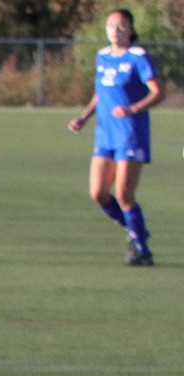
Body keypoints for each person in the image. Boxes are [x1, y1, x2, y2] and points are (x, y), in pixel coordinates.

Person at [69, 8, 165, 266]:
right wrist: (84, 117)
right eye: (112, 25)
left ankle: (141, 249)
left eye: (122, 25)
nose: (116, 29)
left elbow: (158, 92)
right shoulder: (102, 57)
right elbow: (99, 93)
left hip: (130, 135)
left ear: (131, 29)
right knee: (98, 193)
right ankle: (136, 232)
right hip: (105, 135)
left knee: (124, 195)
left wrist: (132, 109)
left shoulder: (138, 57)